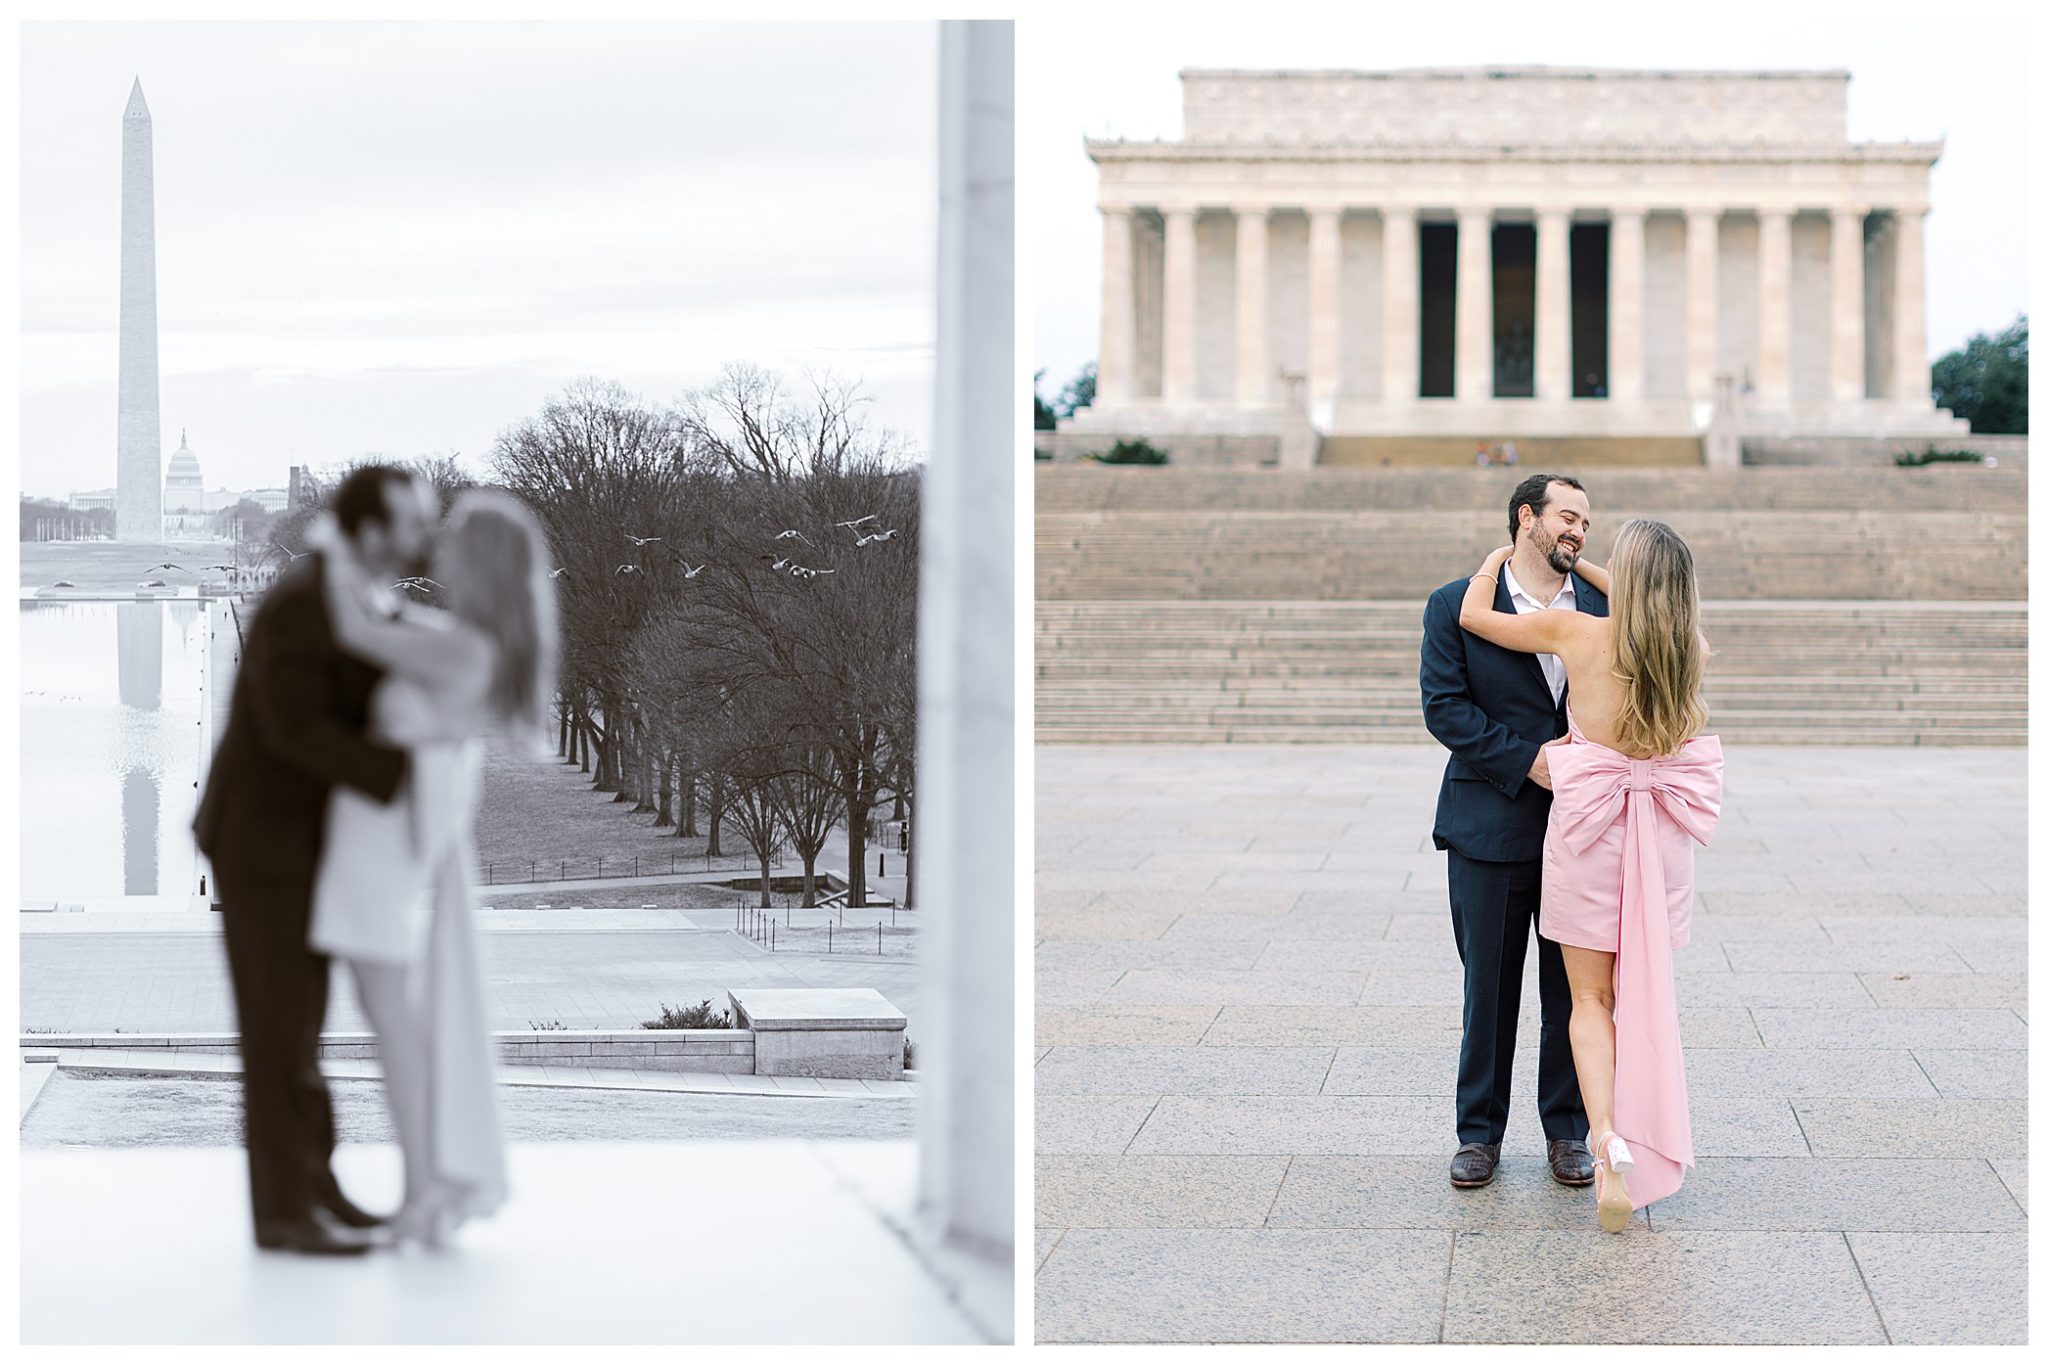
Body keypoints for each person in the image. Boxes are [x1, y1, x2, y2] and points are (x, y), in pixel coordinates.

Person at [306, 485, 559, 1250]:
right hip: (385, 839)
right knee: (396, 1020)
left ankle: (425, 1189)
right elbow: (391, 621)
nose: (437, 545)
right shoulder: (471, 642)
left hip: (379, 847)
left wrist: (333, 546)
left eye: (452, 537)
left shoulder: (462, 648)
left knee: (395, 1026)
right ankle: (431, 1182)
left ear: (478, 559)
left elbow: (358, 630)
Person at [192, 463, 432, 1256]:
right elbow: (296, 728)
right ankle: (282, 1213)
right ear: (371, 530)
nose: (420, 536)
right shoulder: (305, 601)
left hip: (298, 845)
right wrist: (400, 772)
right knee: (275, 1031)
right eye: (410, 522)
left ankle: (315, 1184)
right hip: (261, 846)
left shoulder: (347, 594)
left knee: (301, 1026)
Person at [1456, 518, 1723, 1232]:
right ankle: (1631, 1133)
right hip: (1657, 836)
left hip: (1590, 831)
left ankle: (1604, 1136)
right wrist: (1634, 581)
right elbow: (1659, 607)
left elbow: (1476, 617)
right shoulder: (1690, 649)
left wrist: (1494, 559)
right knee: (1640, 991)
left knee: (1588, 997)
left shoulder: (1578, 633)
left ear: (1624, 581)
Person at [1419, 475, 1602, 1194]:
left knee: (1574, 992)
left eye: (1586, 522)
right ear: (1527, 517)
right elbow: (1445, 708)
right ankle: (1478, 1135)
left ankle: (1568, 1132)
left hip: (1584, 832)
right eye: (1567, 517)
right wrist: (1529, 761)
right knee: (1488, 990)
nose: (1579, 530)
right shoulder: (1454, 604)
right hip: (1488, 825)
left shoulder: (1605, 605)